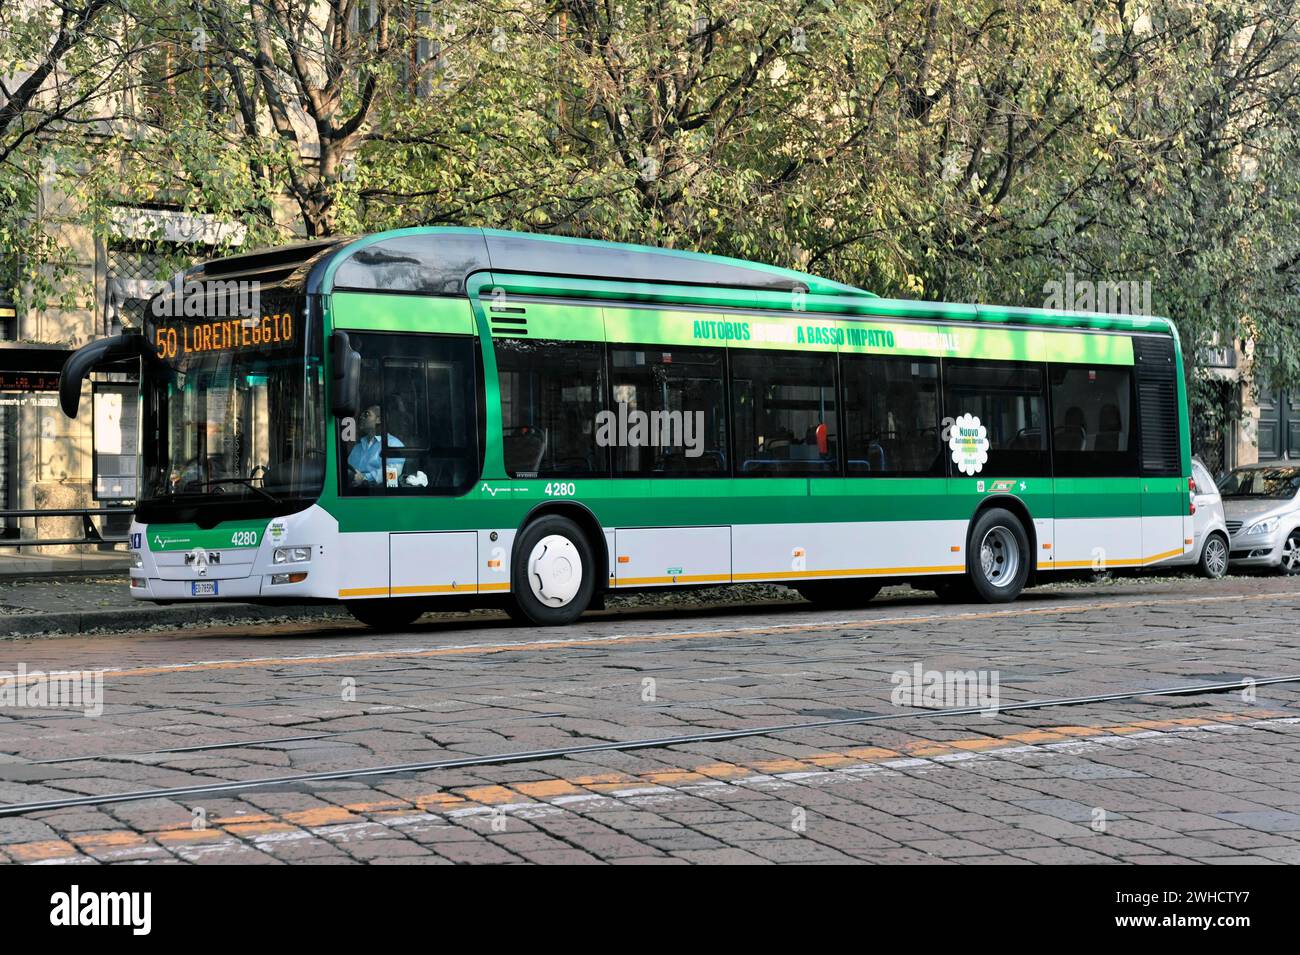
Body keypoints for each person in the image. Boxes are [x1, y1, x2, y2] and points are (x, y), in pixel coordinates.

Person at [347, 403, 404, 486]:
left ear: (379, 420)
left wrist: (364, 477)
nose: (361, 417)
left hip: (377, 495)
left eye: (366, 414)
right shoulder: (358, 446)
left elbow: (392, 473)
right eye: (361, 415)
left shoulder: (394, 444)